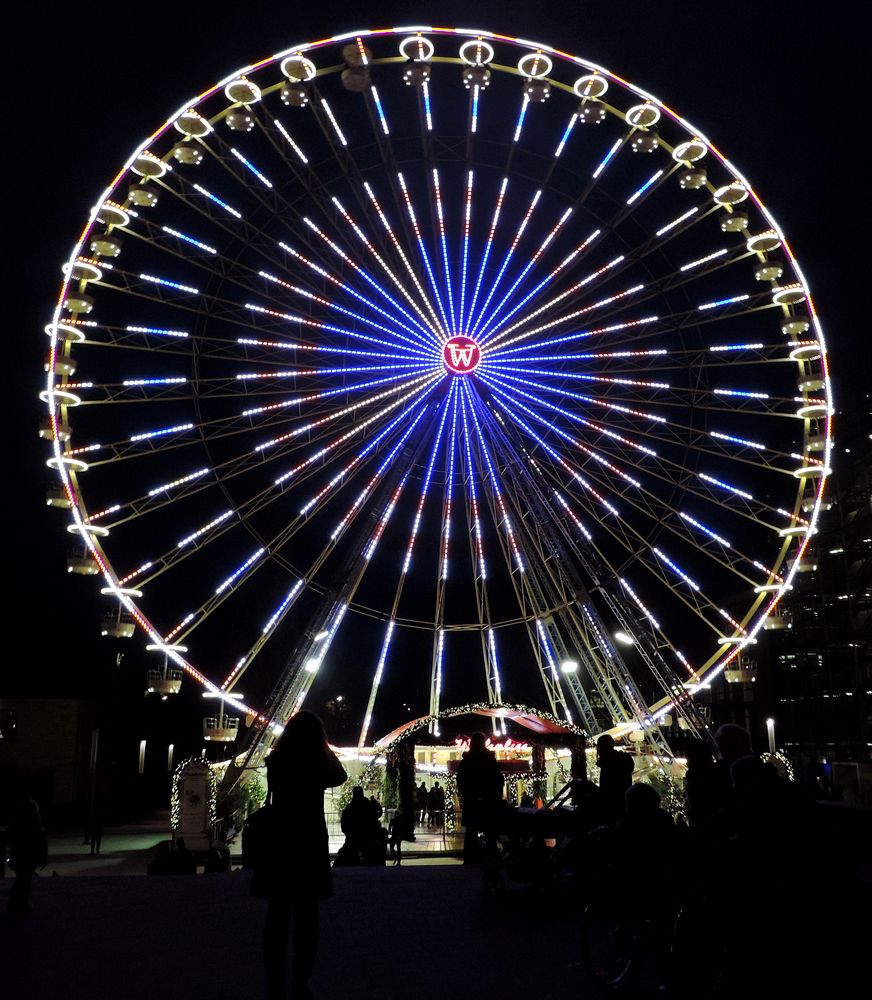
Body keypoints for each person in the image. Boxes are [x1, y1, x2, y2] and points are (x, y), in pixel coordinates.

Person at [253, 711, 347, 1000]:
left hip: (280, 842)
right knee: (307, 920)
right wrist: (324, 747)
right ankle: (301, 983)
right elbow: (340, 775)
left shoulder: (277, 761)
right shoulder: (318, 763)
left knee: (277, 919)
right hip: (308, 841)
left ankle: (275, 984)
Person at [456, 732, 504, 863]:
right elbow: (498, 781)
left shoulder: (466, 762)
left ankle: (470, 858)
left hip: (472, 801)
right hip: (488, 802)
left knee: (471, 832)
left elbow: (460, 782)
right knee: (490, 832)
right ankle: (491, 858)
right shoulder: (490, 760)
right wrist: (494, 796)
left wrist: (468, 794)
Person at [6, 799, 48, 914]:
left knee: (20, 881)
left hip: (19, 858)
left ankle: (15, 905)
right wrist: (43, 859)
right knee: (24, 883)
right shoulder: (37, 826)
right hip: (30, 859)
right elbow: (42, 845)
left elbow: (7, 837)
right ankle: (20, 906)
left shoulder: (17, 824)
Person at [595, 734, 635, 826]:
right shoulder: (624, 759)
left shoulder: (607, 764)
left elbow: (607, 790)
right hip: (623, 805)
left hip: (613, 808)